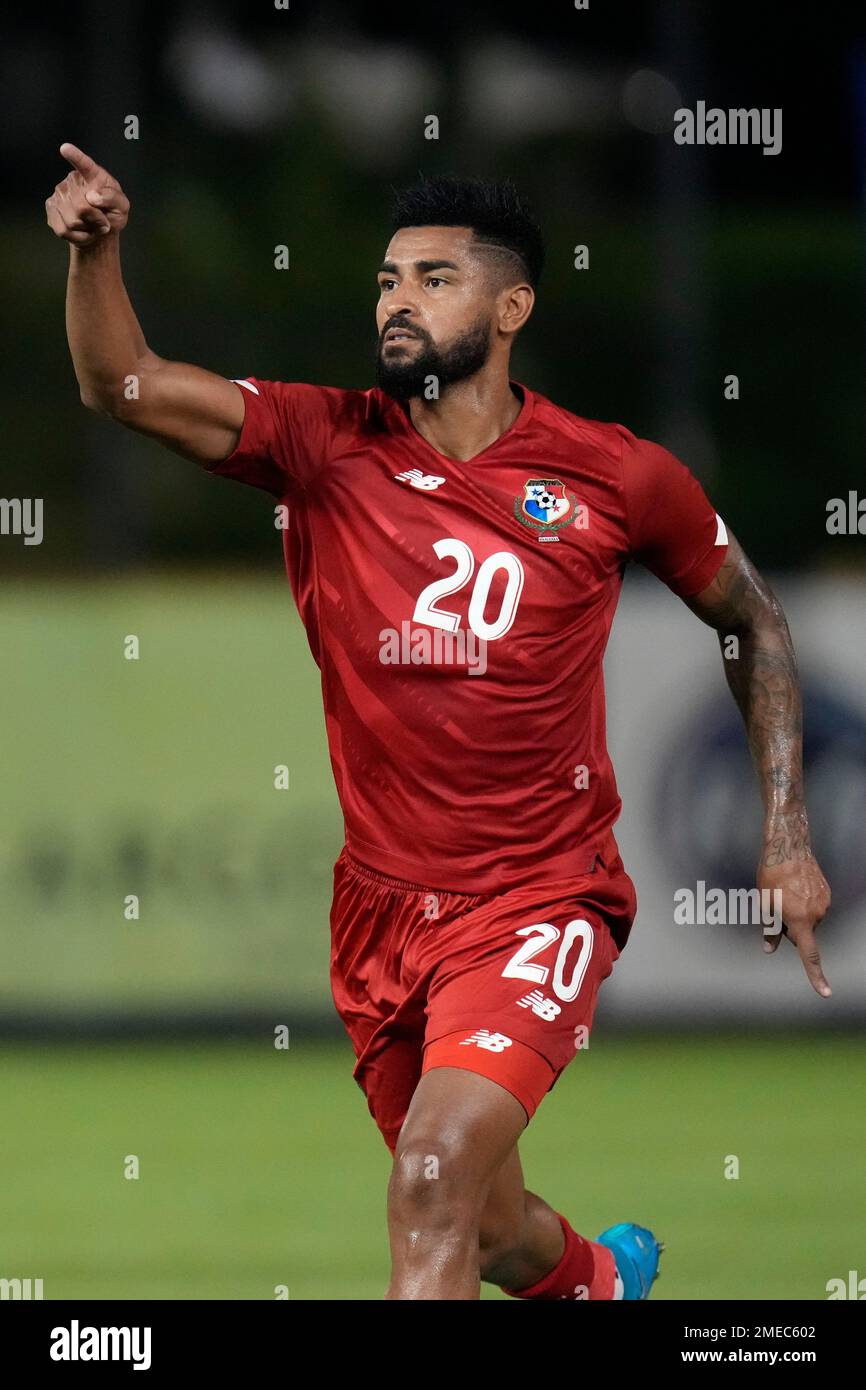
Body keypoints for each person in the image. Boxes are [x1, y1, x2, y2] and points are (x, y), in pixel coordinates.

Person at [47, 147, 831, 1301]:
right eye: (383, 281)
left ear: (510, 307)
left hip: (536, 896)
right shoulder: (321, 443)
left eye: (431, 278)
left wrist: (784, 831)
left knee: (426, 1184)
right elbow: (125, 384)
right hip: (378, 912)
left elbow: (754, 622)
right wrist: (96, 250)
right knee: (493, 1223)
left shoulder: (613, 476)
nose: (395, 301)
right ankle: (600, 1286)